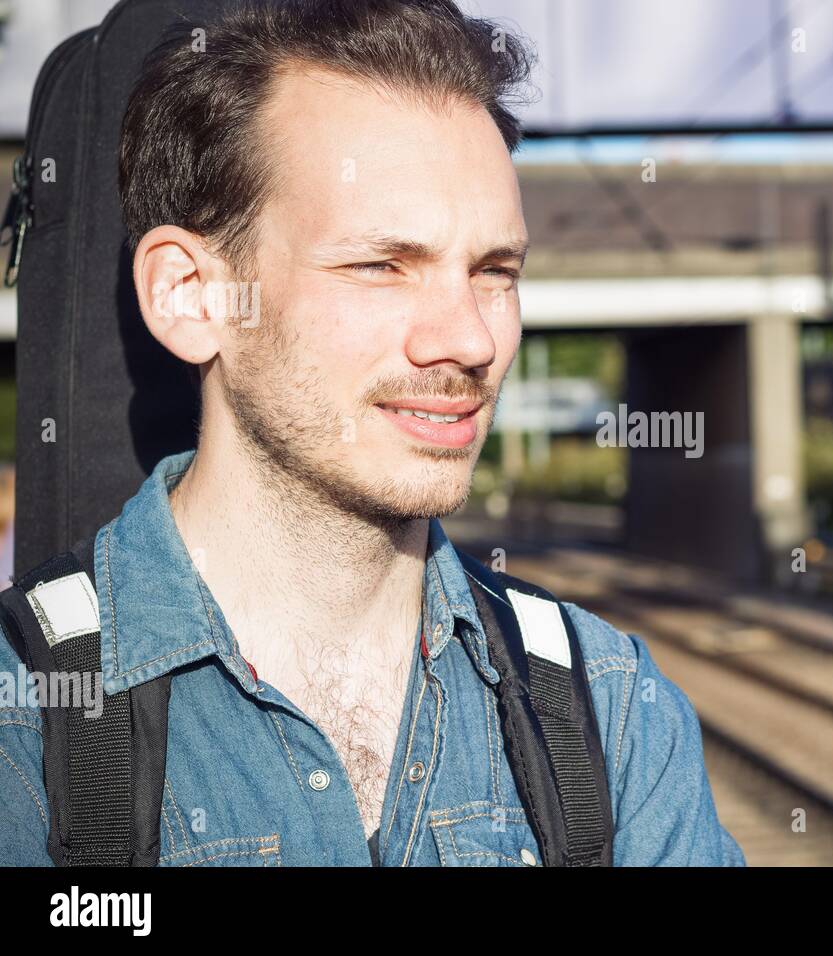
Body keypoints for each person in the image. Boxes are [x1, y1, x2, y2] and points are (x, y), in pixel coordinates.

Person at [0, 0, 744, 867]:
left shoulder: (611, 712)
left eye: (494, 272)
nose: (469, 340)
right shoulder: (27, 726)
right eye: (381, 266)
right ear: (190, 295)